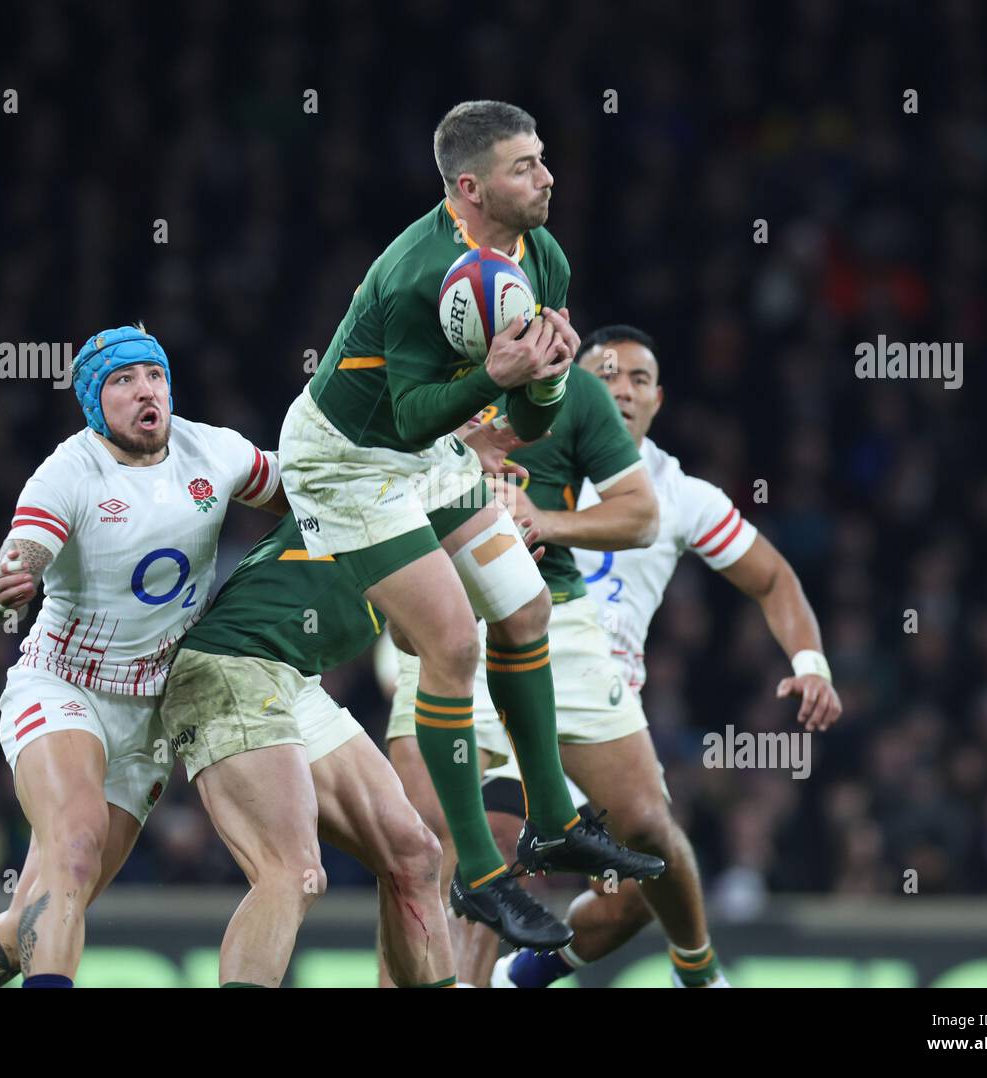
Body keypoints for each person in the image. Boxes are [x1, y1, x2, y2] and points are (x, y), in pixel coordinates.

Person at [0, 432, 549, 988]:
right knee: (291, 872)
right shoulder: (375, 459)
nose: (498, 457)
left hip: (285, 679)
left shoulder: (437, 525)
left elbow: (419, 638)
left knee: (415, 855)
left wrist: (476, 569)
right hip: (231, 664)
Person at [277, 100, 663, 947]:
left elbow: (524, 425)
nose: (548, 175)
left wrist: (548, 381)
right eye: (526, 166)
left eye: (543, 158)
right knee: (451, 643)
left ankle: (553, 819)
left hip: (430, 451)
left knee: (525, 611)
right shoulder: (417, 272)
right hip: (347, 462)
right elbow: (410, 417)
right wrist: (493, 371)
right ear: (470, 187)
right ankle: (484, 877)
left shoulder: (541, 255)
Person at [0, 323, 287, 988]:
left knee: (31, 920)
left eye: (154, 376)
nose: (146, 390)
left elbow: (306, 496)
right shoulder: (68, 474)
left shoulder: (216, 453)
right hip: (62, 689)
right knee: (76, 842)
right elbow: (5, 574)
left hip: (150, 720)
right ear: (94, 403)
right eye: (123, 381)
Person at [490, 324, 843, 988]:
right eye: (607, 375)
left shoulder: (681, 495)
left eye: (639, 379)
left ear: (659, 400)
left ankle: (540, 978)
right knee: (494, 842)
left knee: (643, 874)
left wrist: (810, 664)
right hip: (508, 677)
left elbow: (772, 579)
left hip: (602, 701)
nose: (622, 390)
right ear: (571, 384)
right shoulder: (517, 451)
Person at [382, 356, 662, 986]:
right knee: (422, 850)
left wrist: (543, 521)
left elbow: (642, 515)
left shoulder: (578, 393)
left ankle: (517, 978)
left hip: (554, 617)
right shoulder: (409, 381)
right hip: (441, 603)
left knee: (648, 842)